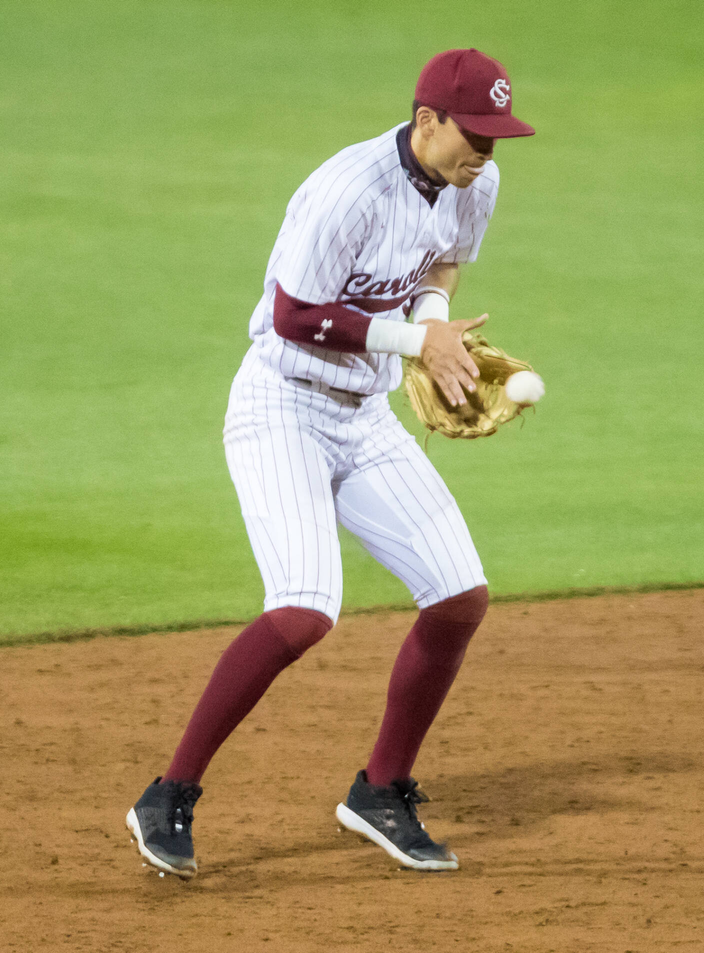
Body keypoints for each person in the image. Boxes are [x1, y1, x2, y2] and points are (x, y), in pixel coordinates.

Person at [127, 48, 535, 878]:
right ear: (427, 121)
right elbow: (291, 316)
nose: (486, 155)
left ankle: (380, 790)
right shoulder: (348, 190)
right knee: (303, 611)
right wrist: (413, 340)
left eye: (497, 138)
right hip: (283, 406)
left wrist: (436, 334)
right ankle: (167, 793)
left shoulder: (474, 183)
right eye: (475, 136)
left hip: (366, 415)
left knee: (459, 598)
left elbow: (443, 263)